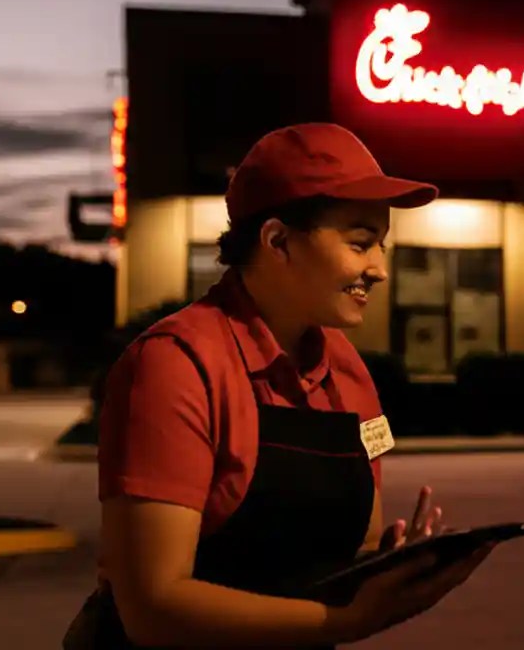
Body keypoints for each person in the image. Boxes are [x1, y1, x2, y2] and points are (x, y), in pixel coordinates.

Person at [64, 123, 494, 649]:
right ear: (278, 241)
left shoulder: (350, 374)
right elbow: (154, 608)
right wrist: (346, 622)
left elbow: (353, 547)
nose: (379, 269)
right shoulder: (175, 366)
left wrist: (394, 568)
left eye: (380, 245)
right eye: (360, 244)